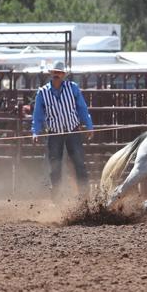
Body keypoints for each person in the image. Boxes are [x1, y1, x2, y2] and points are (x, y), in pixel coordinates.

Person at [31, 60, 94, 197]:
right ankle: (56, 196)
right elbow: (38, 115)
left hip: (73, 130)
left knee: (79, 163)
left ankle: (85, 195)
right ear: (51, 74)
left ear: (63, 75)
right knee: (55, 167)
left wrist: (89, 125)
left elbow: (82, 108)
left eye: (59, 73)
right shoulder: (42, 93)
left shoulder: (73, 88)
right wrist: (35, 131)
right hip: (54, 133)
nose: (57, 75)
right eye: (55, 72)